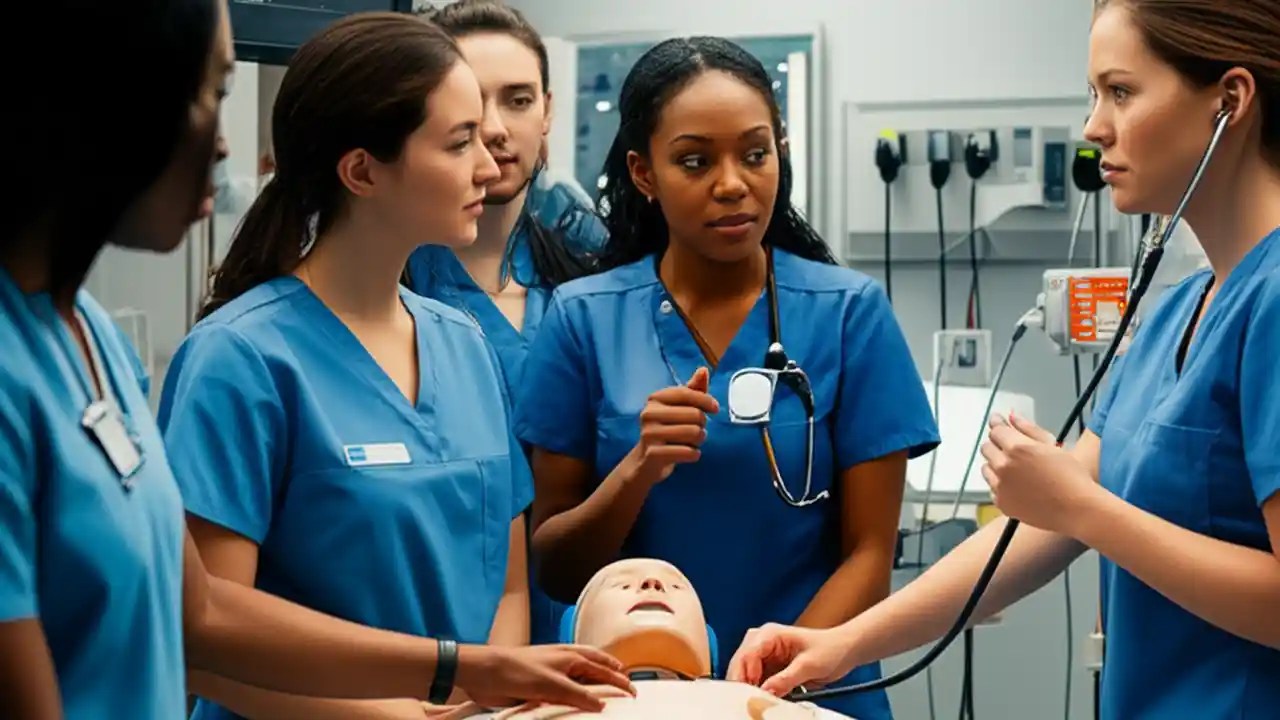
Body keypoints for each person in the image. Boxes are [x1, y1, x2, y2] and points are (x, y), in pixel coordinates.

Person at [0, 1, 635, 718]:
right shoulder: (239, 356)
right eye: (211, 94)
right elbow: (207, 636)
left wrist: (479, 683)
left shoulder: (92, 339)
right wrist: (440, 687)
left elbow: (194, 613)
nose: (222, 146)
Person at [727, 2, 1280, 718]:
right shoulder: (1181, 308)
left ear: (1228, 101)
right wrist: (842, 643)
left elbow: (1076, 508)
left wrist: (1085, 509)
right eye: (1094, 96)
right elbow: (1046, 526)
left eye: (1121, 91)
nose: (1093, 127)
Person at [153, 11, 576, 720]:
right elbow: (207, 645)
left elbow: (505, 586)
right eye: (459, 140)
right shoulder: (242, 359)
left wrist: (492, 698)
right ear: (361, 170)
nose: (487, 162)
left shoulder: (462, 343)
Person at [511, 36, 941, 720]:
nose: (733, 182)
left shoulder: (848, 314)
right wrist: (637, 470)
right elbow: (556, 566)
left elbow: (869, 554)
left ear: (781, 153)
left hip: (807, 696)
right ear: (642, 172)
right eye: (694, 160)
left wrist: (760, 692)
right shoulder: (582, 320)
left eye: (755, 153)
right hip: (630, 702)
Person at [405, 0, 606, 648]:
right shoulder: (389, 286)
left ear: (548, 111)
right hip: (433, 637)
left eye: (518, 101)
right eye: (469, 101)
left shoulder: (592, 279)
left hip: (582, 624)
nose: (494, 128)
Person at [434, 558, 854, 720]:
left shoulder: (764, 703)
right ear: (571, 636)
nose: (653, 582)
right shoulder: (522, 710)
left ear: (710, 644)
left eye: (675, 585)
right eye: (620, 584)